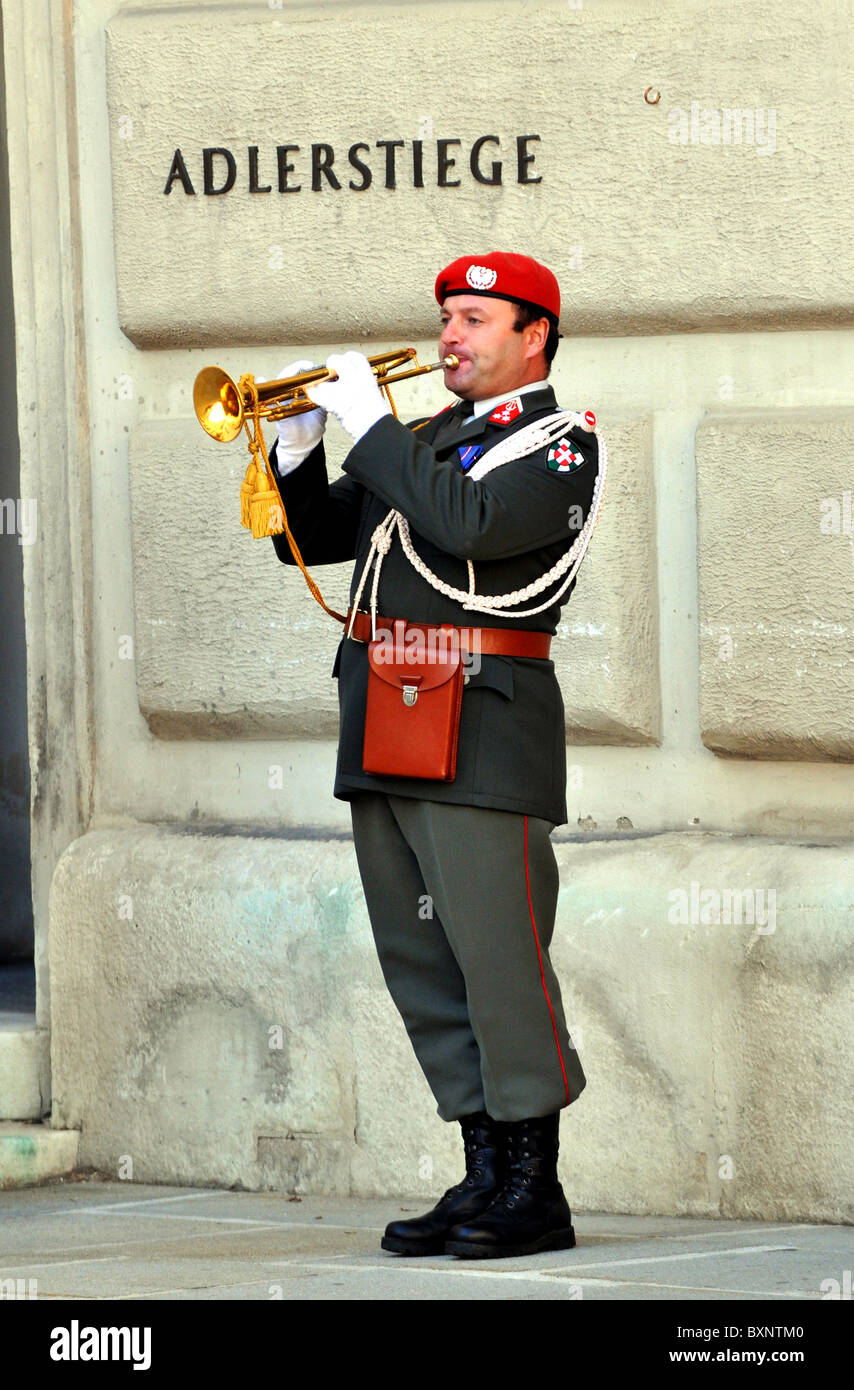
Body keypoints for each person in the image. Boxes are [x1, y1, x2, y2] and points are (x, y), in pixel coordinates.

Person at [267, 251, 602, 1260]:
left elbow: (469, 526)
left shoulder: (555, 446)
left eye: (473, 319)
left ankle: (534, 1185)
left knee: (498, 960)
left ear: (531, 335)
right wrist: (296, 454)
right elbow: (316, 539)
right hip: (388, 710)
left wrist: (370, 430)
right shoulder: (422, 439)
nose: (448, 336)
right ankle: (483, 1168)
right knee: (422, 959)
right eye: (446, 317)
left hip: (483, 721)